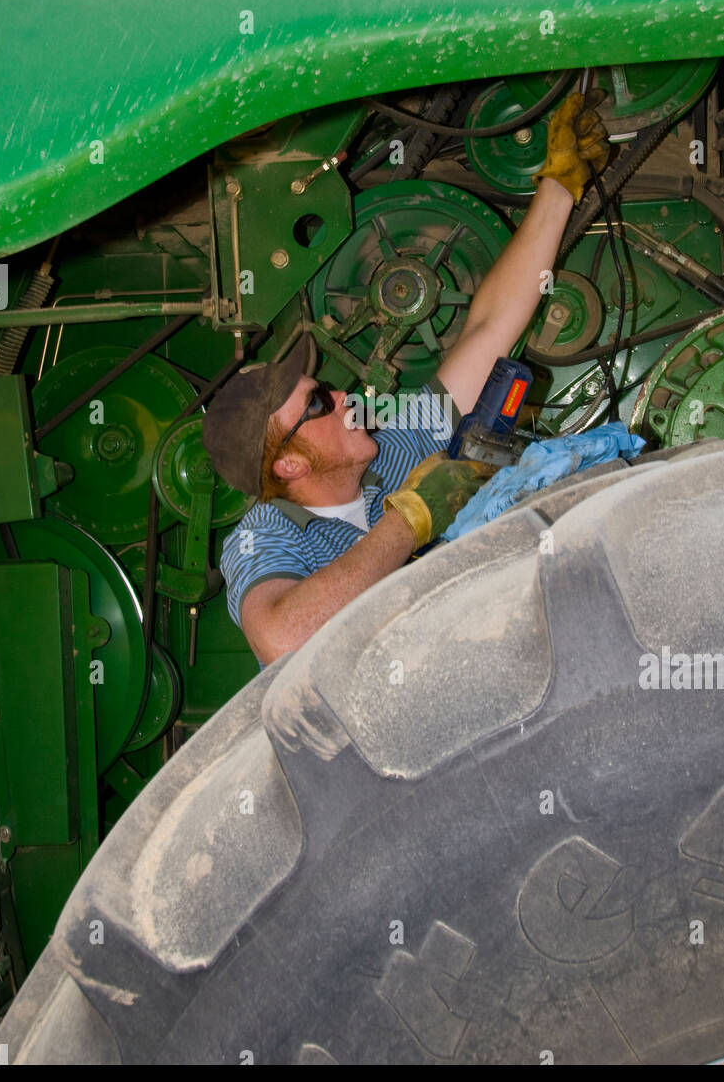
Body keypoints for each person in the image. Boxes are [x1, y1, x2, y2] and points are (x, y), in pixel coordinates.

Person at [203, 91, 608, 666]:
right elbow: (282, 640)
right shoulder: (265, 535)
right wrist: (409, 521)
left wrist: (561, 185)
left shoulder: (391, 452)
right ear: (288, 464)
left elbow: (487, 332)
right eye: (317, 403)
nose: (342, 395)